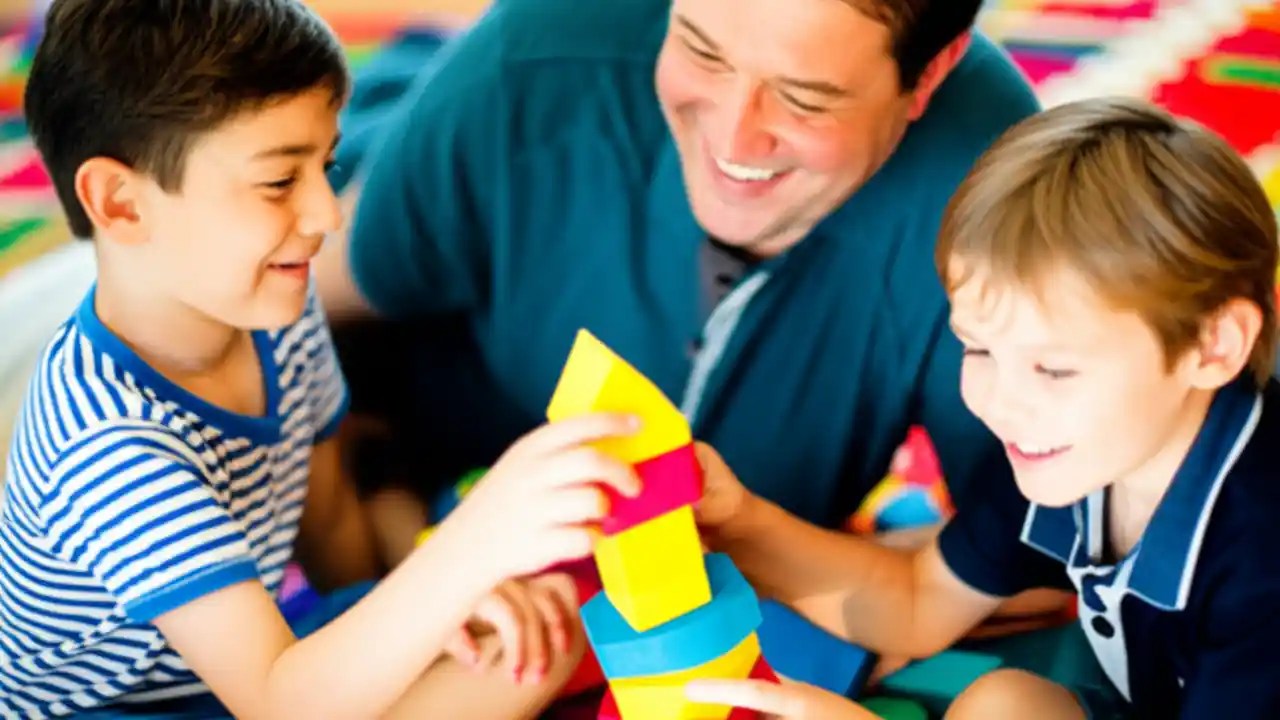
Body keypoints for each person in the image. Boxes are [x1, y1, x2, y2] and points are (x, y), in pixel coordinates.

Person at [0, 1, 642, 717]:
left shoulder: (277, 309)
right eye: (279, 182)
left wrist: (428, 596)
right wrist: (465, 552)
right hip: (155, 707)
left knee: (538, 632)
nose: (327, 215)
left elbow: (330, 519)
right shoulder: (110, 446)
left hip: (261, 662)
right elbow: (279, 704)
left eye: (325, 165)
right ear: (120, 203)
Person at [317, 0, 1041, 569]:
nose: (733, 140)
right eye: (701, 50)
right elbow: (264, 313)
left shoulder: (997, 197)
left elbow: (1039, 553)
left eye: (805, 98)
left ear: (931, 74)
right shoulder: (533, 60)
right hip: (394, 167)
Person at [688, 97, 1280, 718]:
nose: (1000, 401)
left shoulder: (1261, 555)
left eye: (1054, 367)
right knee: (1006, 704)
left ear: (1213, 347)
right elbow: (918, 602)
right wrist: (740, 523)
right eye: (977, 349)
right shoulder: (1076, 445)